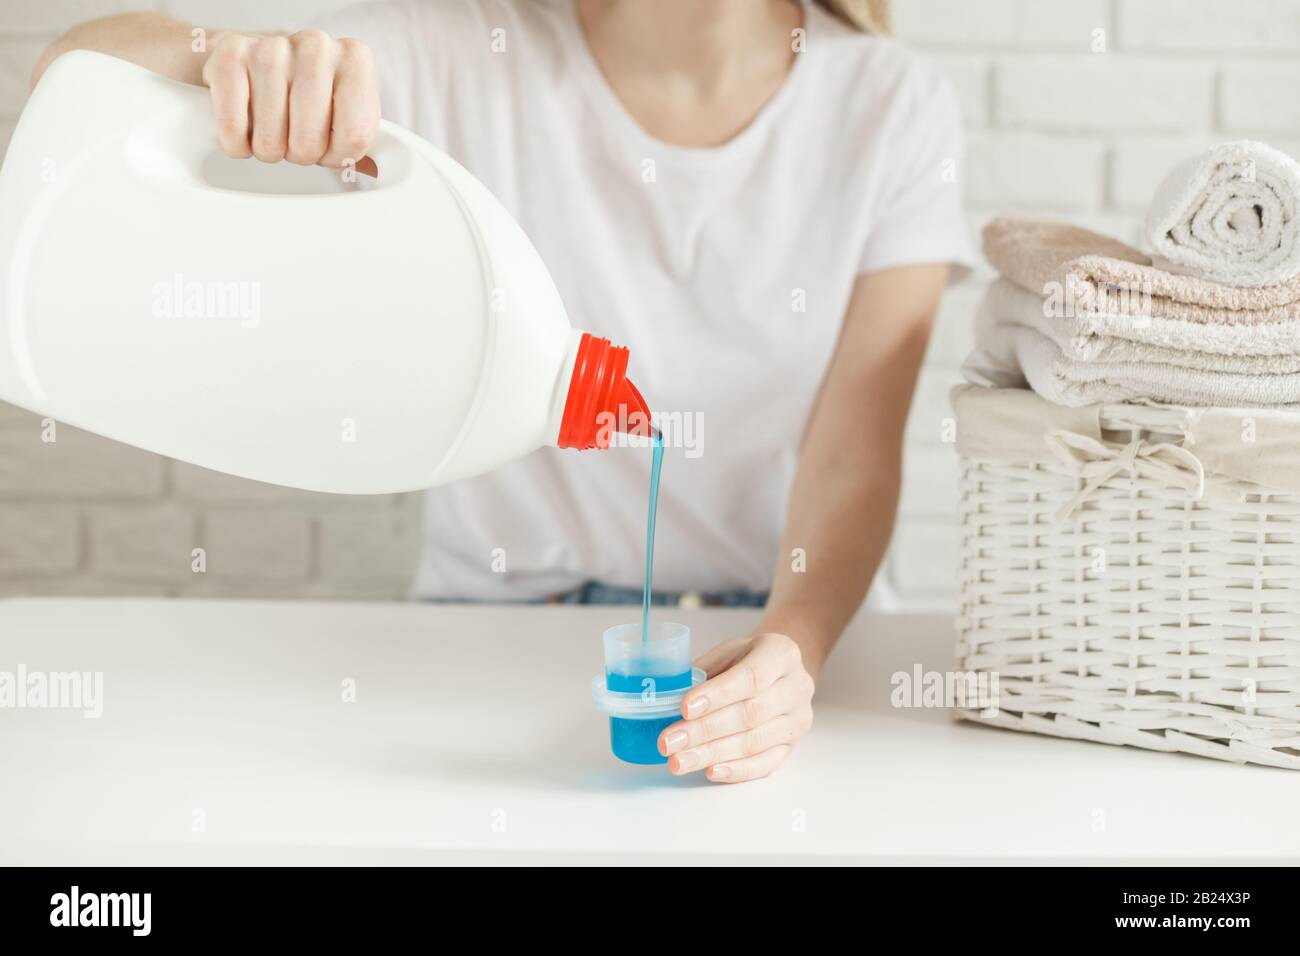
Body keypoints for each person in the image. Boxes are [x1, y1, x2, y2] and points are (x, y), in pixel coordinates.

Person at [36, 0, 974, 783]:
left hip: (783, 640)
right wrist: (236, 60)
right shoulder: (456, 52)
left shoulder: (889, 103)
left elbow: (855, 451)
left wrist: (793, 650)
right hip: (486, 638)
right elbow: (70, 70)